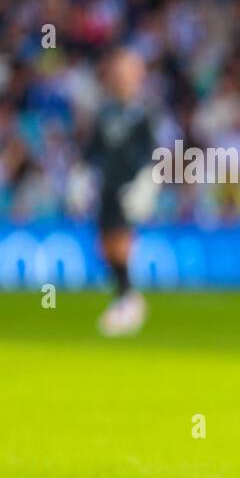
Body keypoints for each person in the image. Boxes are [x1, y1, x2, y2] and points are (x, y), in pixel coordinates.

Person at [86, 48, 157, 336]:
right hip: (107, 185)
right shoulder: (106, 112)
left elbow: (151, 152)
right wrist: (82, 172)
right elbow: (93, 149)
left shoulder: (143, 114)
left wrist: (146, 183)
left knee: (121, 241)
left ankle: (125, 299)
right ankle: (126, 296)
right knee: (104, 244)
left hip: (130, 187)